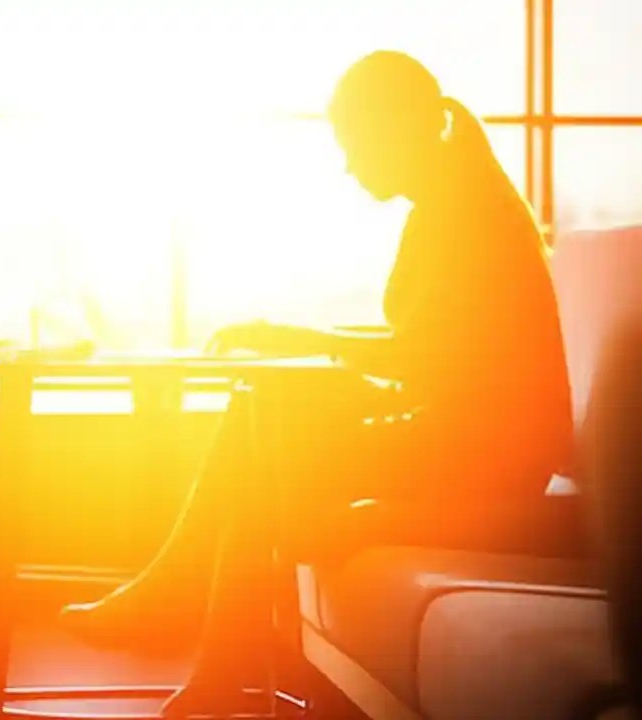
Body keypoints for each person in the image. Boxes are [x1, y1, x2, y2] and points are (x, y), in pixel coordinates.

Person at [59, 50, 575, 717]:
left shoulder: (465, 213)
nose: (349, 165)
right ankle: (196, 635)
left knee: (268, 436)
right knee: (262, 411)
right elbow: (433, 352)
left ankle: (182, 620)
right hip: (461, 437)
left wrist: (300, 340)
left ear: (395, 129)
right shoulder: (453, 198)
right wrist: (298, 341)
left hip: (483, 460)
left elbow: (418, 359)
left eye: (354, 144)